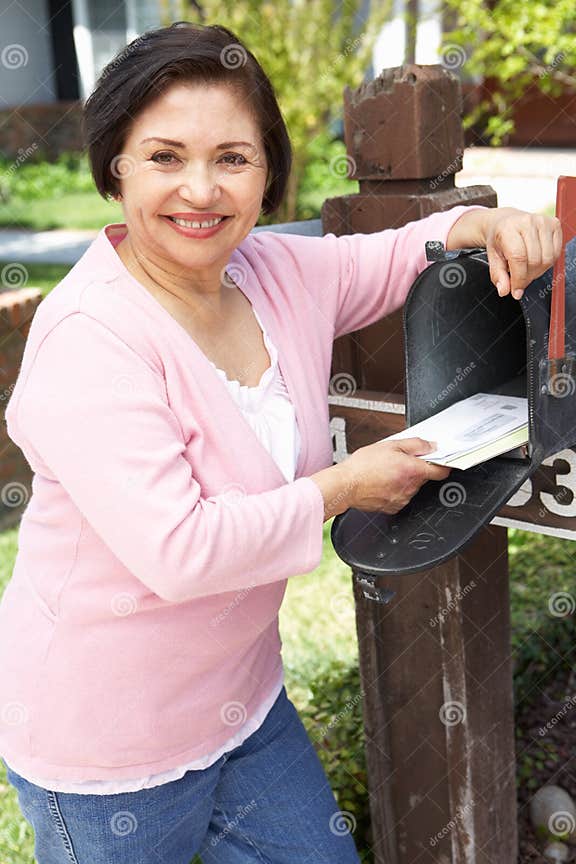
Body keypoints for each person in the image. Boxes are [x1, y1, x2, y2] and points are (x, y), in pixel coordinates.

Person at [0, 20, 562, 864]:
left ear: (268, 173)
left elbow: (392, 255)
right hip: (106, 749)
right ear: (114, 167)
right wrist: (345, 488)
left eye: (232, 157)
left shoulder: (270, 272)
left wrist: (490, 224)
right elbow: (183, 551)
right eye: (164, 157)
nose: (200, 190)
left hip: (243, 708)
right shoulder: (90, 339)